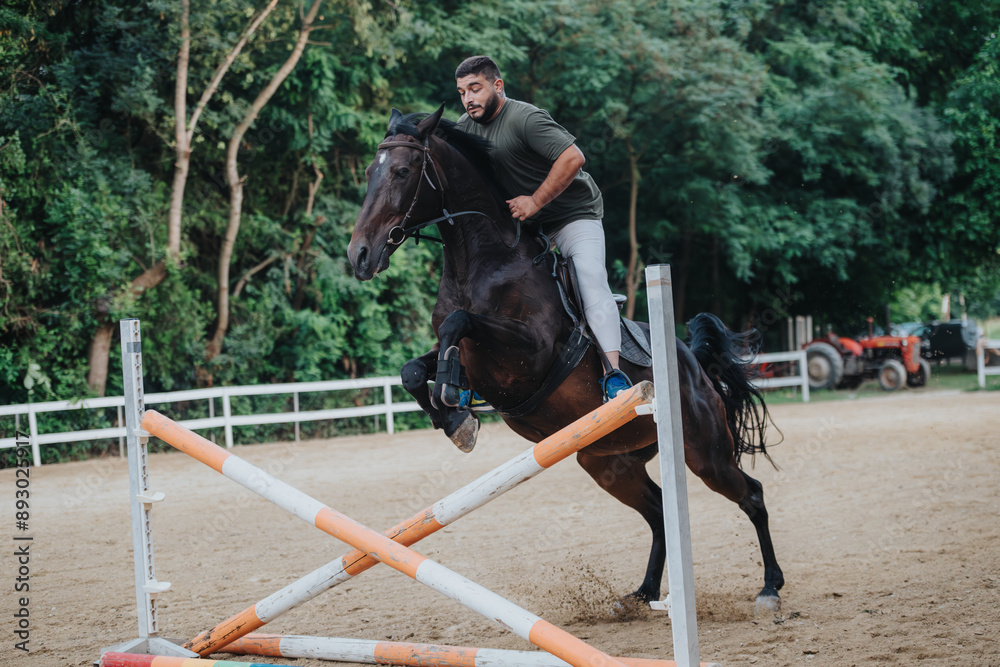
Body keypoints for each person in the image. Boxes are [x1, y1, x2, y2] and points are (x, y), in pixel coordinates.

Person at [454, 55, 631, 403]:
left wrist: (535, 201)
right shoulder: (464, 127)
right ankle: (464, 379)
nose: (468, 98)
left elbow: (573, 158)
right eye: (461, 92)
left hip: (572, 216)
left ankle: (615, 375)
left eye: (475, 88)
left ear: (497, 86)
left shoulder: (525, 118)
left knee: (590, 277)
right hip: (525, 230)